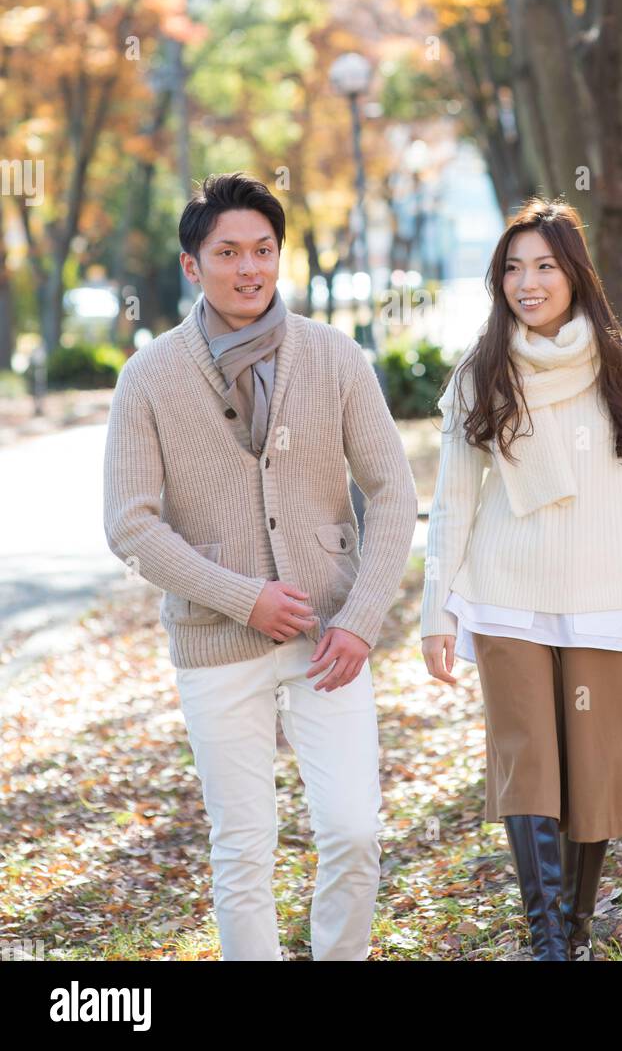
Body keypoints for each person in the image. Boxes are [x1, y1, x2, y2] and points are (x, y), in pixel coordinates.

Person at [103, 171, 417, 961]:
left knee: (352, 829)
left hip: (329, 645)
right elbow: (130, 524)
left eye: (264, 250)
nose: (249, 268)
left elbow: (393, 490)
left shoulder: (336, 357)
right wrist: (243, 599)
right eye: (228, 252)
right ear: (191, 265)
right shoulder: (147, 377)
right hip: (216, 645)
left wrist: (361, 618)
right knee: (243, 846)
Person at [421, 198, 622, 962]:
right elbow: (451, 504)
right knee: (529, 767)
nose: (527, 281)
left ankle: (576, 939)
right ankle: (547, 941)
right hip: (504, 592)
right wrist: (434, 615)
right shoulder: (480, 372)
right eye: (512, 268)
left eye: (543, 265)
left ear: (574, 273)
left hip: (605, 593)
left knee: (595, 771)